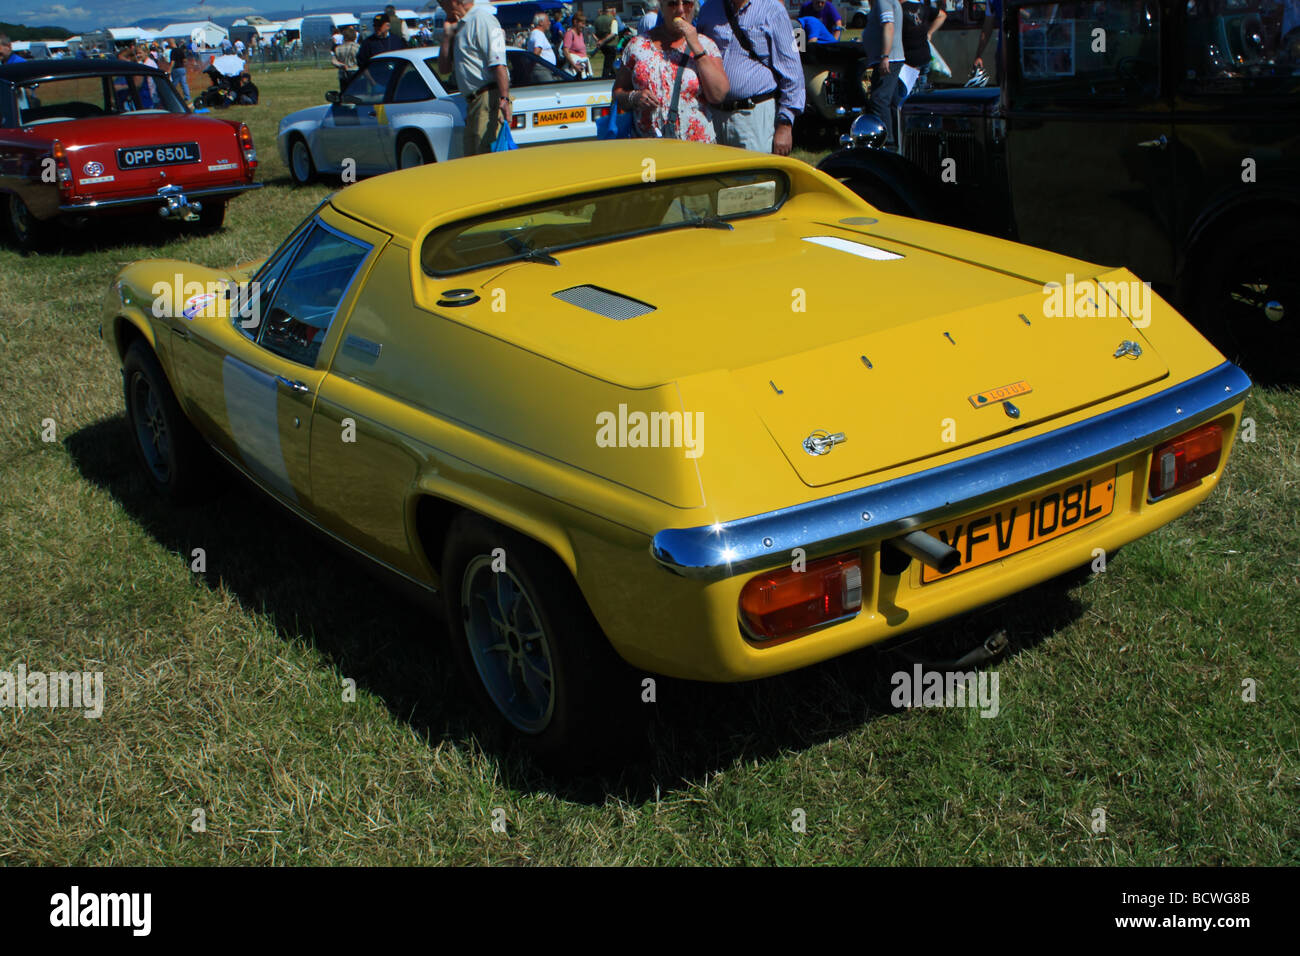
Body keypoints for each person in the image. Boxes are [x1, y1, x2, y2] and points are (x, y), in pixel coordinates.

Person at [698, 0, 804, 155]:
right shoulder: (709, 9)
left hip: (754, 117)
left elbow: (793, 72)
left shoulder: (773, 10)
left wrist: (785, 125)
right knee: (718, 177)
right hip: (714, 117)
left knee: (754, 177)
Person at [613, 0, 727, 140]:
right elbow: (618, 91)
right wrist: (634, 97)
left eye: (687, 3)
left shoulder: (706, 45)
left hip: (696, 146)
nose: (680, 10)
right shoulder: (638, 46)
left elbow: (718, 95)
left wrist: (696, 47)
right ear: (662, 7)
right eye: (673, 3)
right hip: (650, 147)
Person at [439, 0, 511, 155]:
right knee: (472, 157)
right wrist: (447, 37)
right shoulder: (460, 26)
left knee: (484, 156)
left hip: (487, 97)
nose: (441, 7)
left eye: (441, 2)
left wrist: (504, 99)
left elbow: (498, 62)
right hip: (472, 103)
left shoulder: (483, 19)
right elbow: (444, 69)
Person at [864, 0, 905, 148]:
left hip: (889, 60)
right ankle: (899, 140)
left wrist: (885, 56)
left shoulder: (883, 1)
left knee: (879, 100)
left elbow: (888, 26)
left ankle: (888, 143)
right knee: (893, 102)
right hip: (890, 59)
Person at [900, 0, 944, 93]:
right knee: (922, 91)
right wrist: (930, 32)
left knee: (909, 93)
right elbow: (942, 15)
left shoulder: (899, 9)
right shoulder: (923, 7)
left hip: (909, 59)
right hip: (924, 56)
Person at [972, 0, 1001, 79]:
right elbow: (987, 28)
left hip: (1028, 43)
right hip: (1003, 50)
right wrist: (978, 56)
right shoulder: (991, 1)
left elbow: (1030, 14)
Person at [594, 3, 622, 77]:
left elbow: (593, 33)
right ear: (612, 11)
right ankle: (605, 77)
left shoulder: (597, 20)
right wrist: (603, 41)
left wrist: (598, 41)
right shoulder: (613, 20)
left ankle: (614, 75)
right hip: (611, 44)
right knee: (608, 64)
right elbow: (613, 33)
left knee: (610, 63)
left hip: (603, 46)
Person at [332, 26, 360, 92]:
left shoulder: (338, 48)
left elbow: (333, 61)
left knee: (345, 94)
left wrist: (341, 65)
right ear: (355, 37)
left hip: (343, 74)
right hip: (356, 72)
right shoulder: (358, 47)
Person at [562, 12, 592, 76]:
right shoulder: (569, 34)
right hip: (575, 69)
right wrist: (574, 66)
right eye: (582, 23)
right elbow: (565, 51)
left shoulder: (580, 34)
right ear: (575, 22)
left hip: (583, 66)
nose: (584, 26)